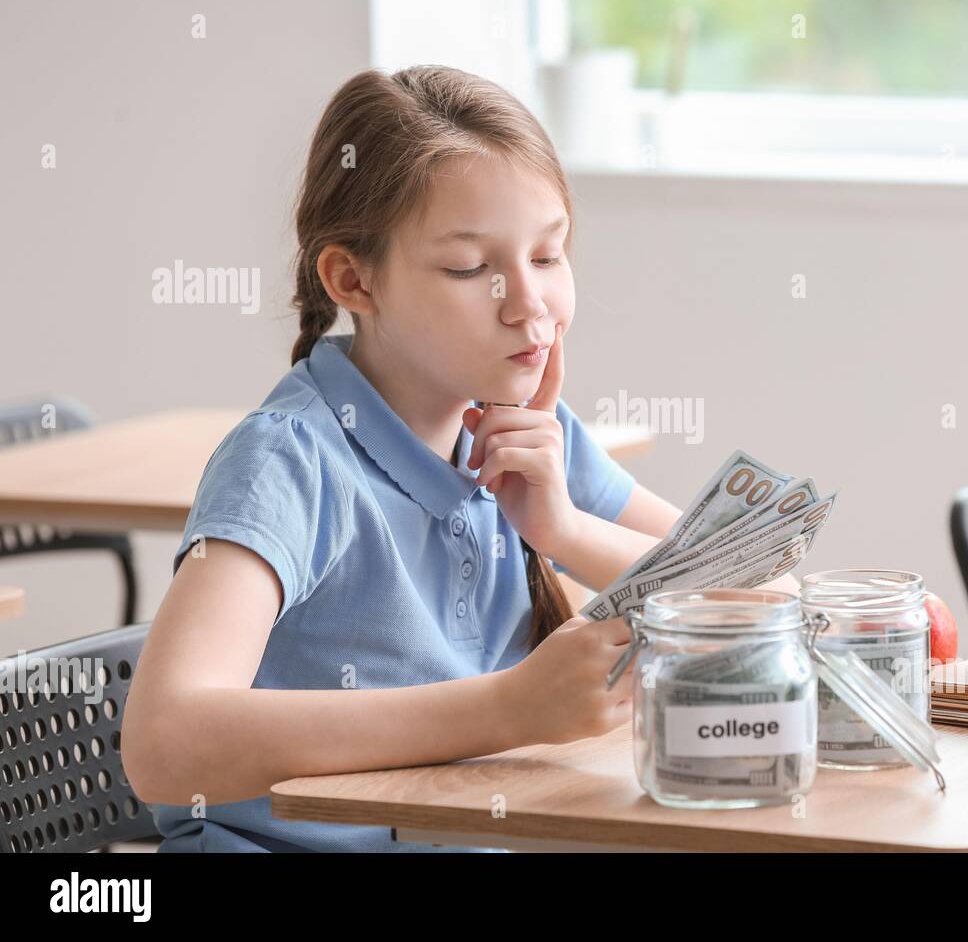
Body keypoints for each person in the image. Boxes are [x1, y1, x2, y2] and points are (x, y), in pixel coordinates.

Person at [121, 65, 687, 851]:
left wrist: (564, 528)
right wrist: (507, 708)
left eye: (549, 257)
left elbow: (765, 593)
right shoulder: (289, 461)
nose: (529, 304)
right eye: (469, 269)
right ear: (352, 279)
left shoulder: (528, 432)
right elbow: (164, 745)